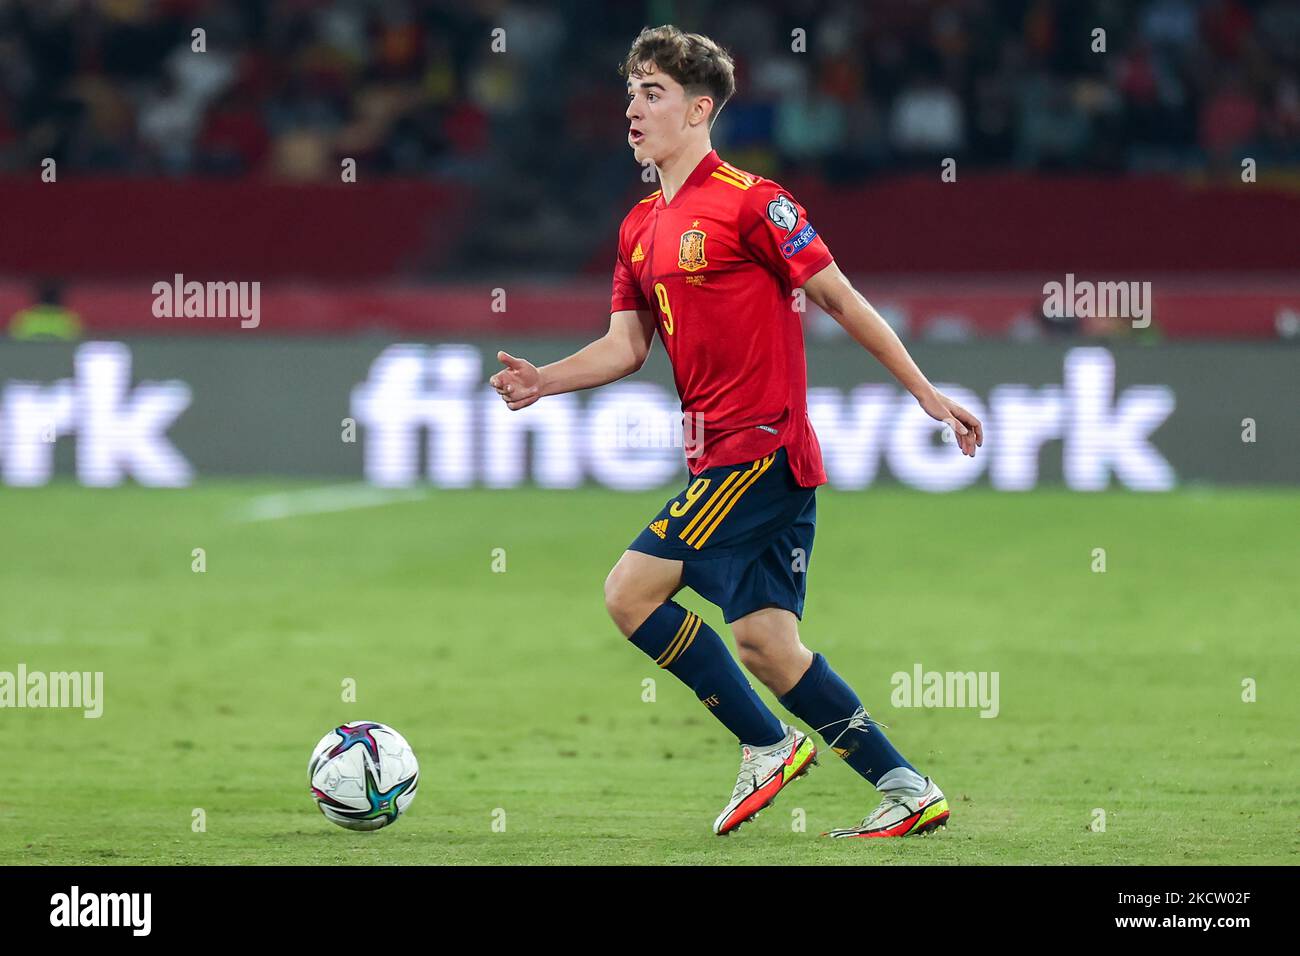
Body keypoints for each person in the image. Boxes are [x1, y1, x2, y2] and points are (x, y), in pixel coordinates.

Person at [489, 25, 982, 838]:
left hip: (760, 451)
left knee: (628, 591)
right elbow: (625, 346)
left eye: (652, 94)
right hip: (725, 459)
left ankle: (765, 743)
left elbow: (842, 299)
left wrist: (925, 392)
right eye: (630, 93)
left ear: (700, 108)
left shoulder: (757, 202)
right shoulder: (638, 227)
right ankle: (906, 787)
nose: (632, 111)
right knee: (763, 643)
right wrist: (546, 381)